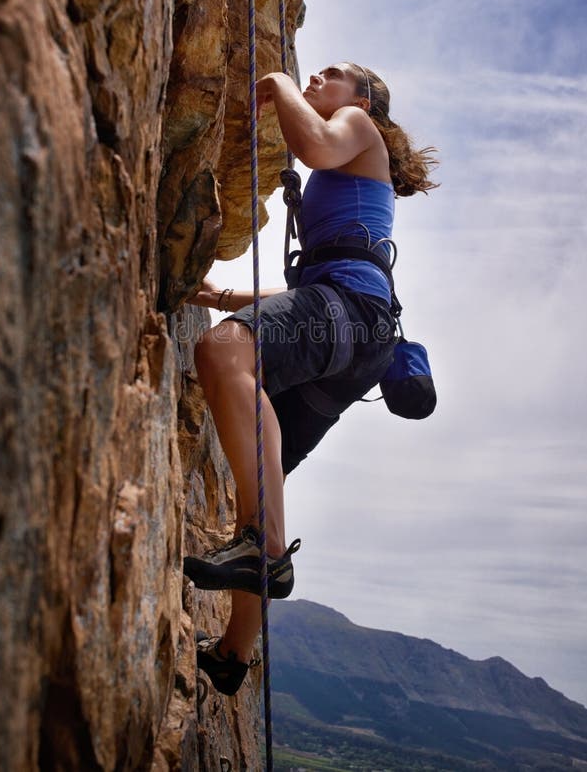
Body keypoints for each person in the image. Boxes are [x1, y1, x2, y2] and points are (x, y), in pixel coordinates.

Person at [182, 62, 439, 695]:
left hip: (349, 315)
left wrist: (276, 81)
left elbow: (313, 145)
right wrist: (227, 294)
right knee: (263, 480)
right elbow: (318, 280)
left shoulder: (356, 128)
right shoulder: (353, 177)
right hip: (358, 333)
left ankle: (265, 549)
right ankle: (233, 654)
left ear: (365, 101)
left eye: (335, 74)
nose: (319, 75)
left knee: (223, 354)